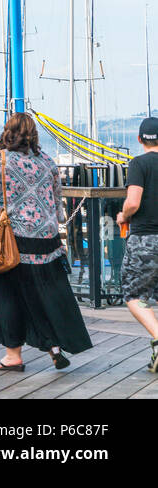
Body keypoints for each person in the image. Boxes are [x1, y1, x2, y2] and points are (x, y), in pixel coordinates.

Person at [0, 112, 92, 371]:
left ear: (7, 132)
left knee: (8, 295)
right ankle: (54, 345)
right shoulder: (47, 161)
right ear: (33, 134)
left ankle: (13, 355)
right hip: (46, 240)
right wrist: (52, 221)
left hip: (10, 239)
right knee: (44, 294)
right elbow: (57, 197)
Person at [114, 117, 158, 371]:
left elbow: (133, 201)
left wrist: (124, 215)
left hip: (145, 240)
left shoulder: (139, 164)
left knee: (134, 295)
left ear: (140, 139)